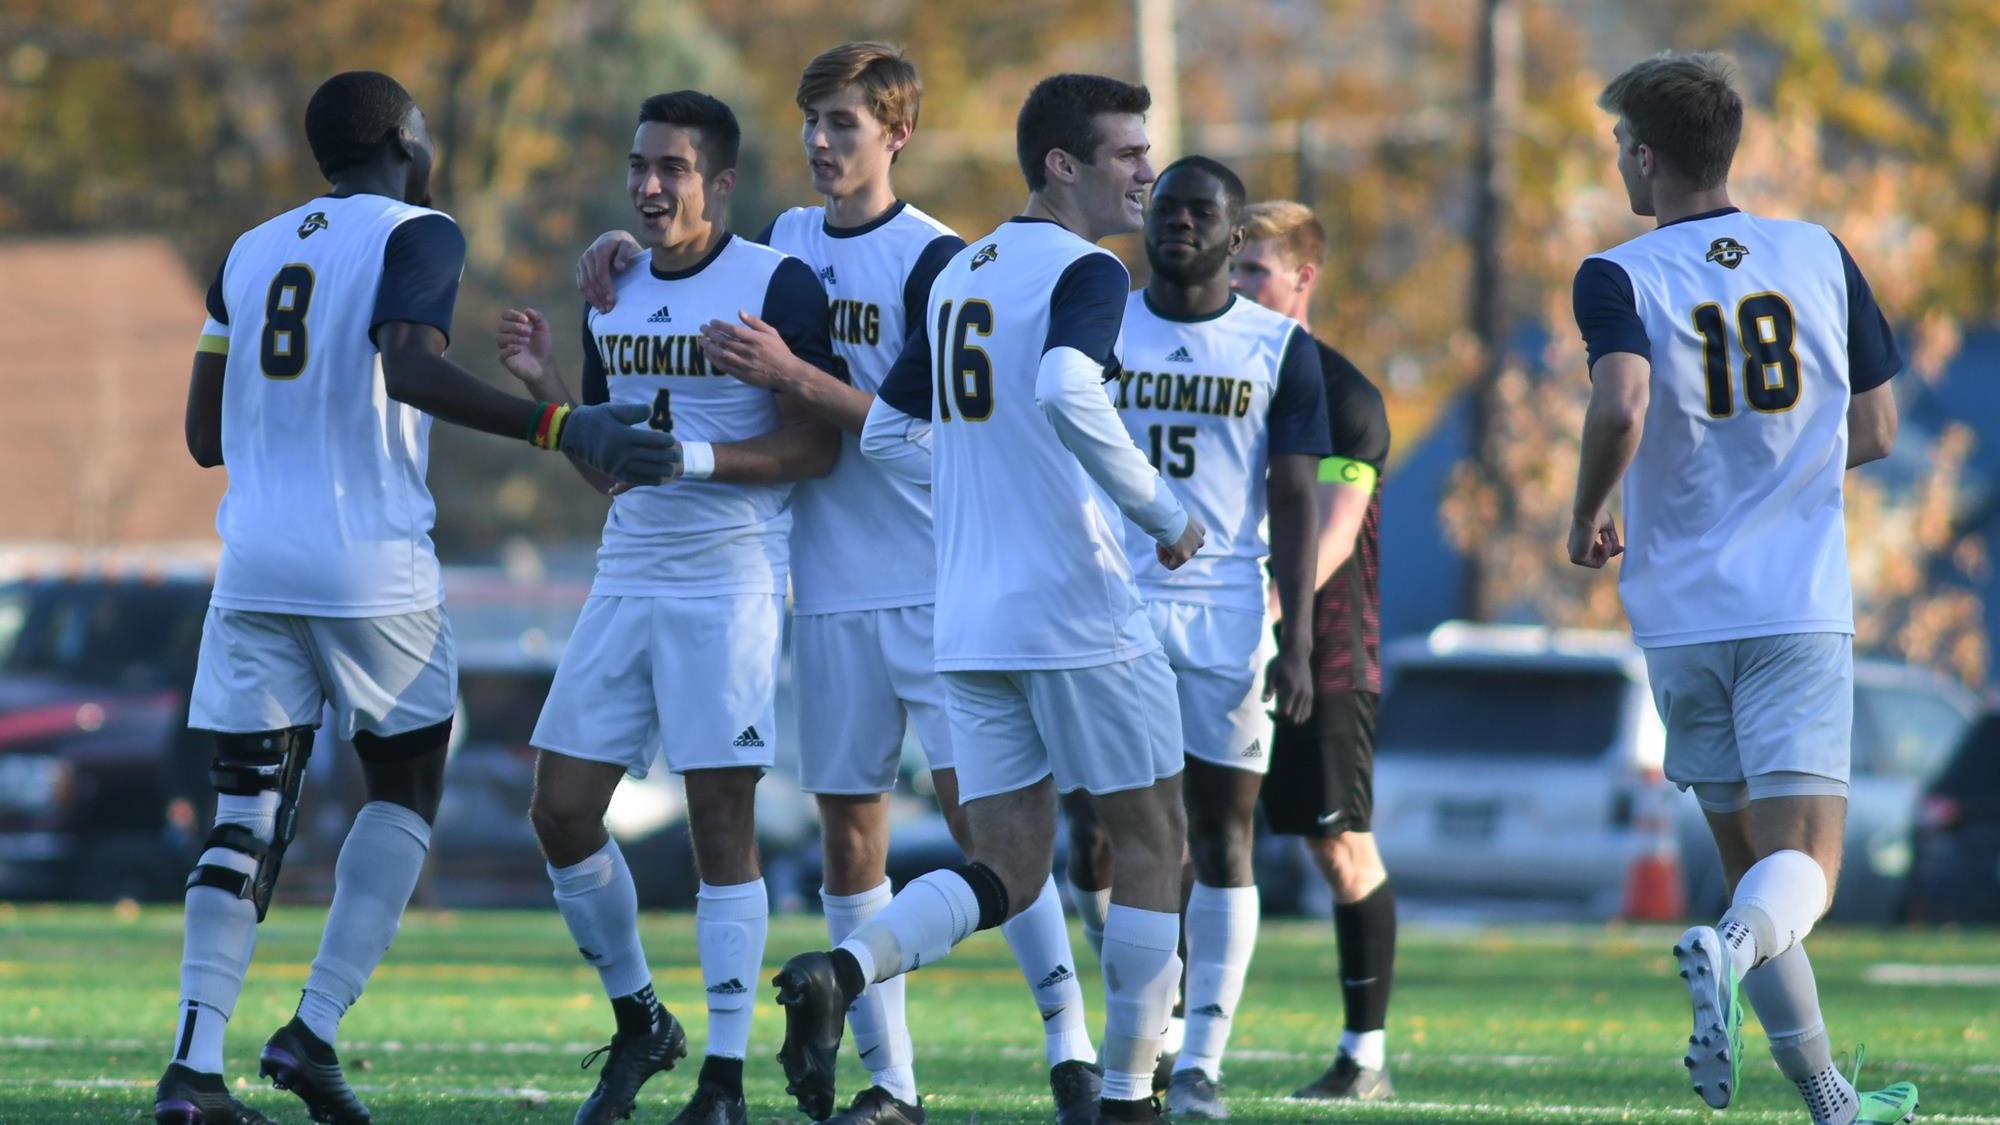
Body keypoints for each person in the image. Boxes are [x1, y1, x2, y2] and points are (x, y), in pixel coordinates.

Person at [572, 44, 1101, 1125]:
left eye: (845, 125)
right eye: (812, 122)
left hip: (940, 588)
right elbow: (697, 265)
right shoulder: (788, 249)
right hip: (824, 591)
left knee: (990, 841)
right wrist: (624, 249)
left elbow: (943, 432)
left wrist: (798, 378)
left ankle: (1073, 1058)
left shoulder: (935, 260)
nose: (820, 143)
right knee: (848, 838)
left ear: (896, 135)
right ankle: (888, 1087)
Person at [155, 71, 679, 1125]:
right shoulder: (419, 231)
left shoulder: (247, 252)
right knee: (405, 794)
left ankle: (193, 1071)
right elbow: (405, 368)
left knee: (243, 817)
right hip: (367, 567)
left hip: (252, 564)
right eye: (426, 129)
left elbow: (204, 437)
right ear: (404, 139)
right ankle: (314, 1028)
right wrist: (557, 426)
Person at [772, 73, 1205, 1125]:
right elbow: (1065, 389)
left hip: (967, 617)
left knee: (1004, 864)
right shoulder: (1087, 271)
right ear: (1061, 166)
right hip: (1073, 607)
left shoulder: (963, 268)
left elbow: (882, 431)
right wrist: (1163, 516)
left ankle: (843, 970)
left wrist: (974, 486)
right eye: (1124, 154)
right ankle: (1124, 1095)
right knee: (1155, 844)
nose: (1146, 171)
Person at [1569, 51, 1918, 1125]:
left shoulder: (1616, 274)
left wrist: (1586, 508)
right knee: (1800, 872)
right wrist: (1784, 472)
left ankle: (1828, 1101)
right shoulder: (1814, 251)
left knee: (1753, 872)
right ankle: (1721, 950)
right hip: (1791, 607)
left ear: (1640, 153)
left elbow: (1623, 405)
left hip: (1677, 617)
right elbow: (1876, 429)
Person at [494, 90, 841, 1125]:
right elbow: (613, 471)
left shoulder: (774, 282)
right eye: (640, 166)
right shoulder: (615, 286)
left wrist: (698, 457)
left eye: (674, 169)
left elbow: (816, 447)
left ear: (721, 182)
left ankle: (724, 1080)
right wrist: (549, 385)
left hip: (730, 577)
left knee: (717, 822)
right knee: (557, 812)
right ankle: (642, 1016)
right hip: (626, 572)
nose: (649, 186)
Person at [1062, 155, 1328, 1119]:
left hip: (1219, 610)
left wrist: (1297, 636)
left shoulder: (1277, 347)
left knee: (1221, 833)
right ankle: (1151, 1012)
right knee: (1096, 833)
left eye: (1199, 212)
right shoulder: (1098, 323)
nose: (1177, 223)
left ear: (1232, 234)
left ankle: (1203, 1058)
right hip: (1105, 600)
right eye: (1164, 207)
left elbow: (1296, 496)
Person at [1229, 199, 1398, 1102]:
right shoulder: (1210, 367)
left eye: (1255, 270)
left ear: (1304, 277)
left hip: (1319, 649)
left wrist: (1266, 613)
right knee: (1169, 837)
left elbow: (1331, 532)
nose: (1239, 288)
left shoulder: (1344, 395)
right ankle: (1168, 1039)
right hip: (1205, 635)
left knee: (1340, 851)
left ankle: (1363, 1055)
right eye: (1231, 271)